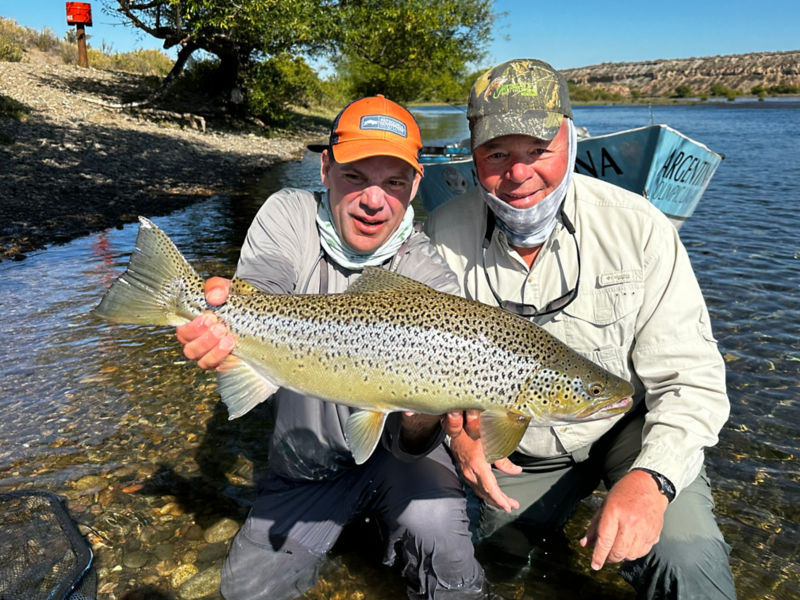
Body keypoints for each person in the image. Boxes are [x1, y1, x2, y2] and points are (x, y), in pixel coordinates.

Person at [424, 59, 737, 598]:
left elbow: (692, 381)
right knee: (498, 563)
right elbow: (428, 370)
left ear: (570, 140)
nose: (518, 173)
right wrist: (458, 436)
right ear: (473, 154)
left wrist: (653, 481)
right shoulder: (443, 233)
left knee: (686, 564)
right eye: (497, 153)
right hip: (523, 451)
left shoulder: (640, 226)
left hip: (628, 430)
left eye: (538, 150)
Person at [176, 95, 486, 599]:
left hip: (400, 463)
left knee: (449, 563)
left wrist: (424, 416)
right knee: (246, 592)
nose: (373, 201)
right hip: (306, 467)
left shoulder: (430, 274)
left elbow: (417, 442)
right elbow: (264, 287)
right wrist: (224, 319)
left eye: (394, 182)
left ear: (415, 186)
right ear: (324, 168)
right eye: (355, 176)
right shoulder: (289, 216)